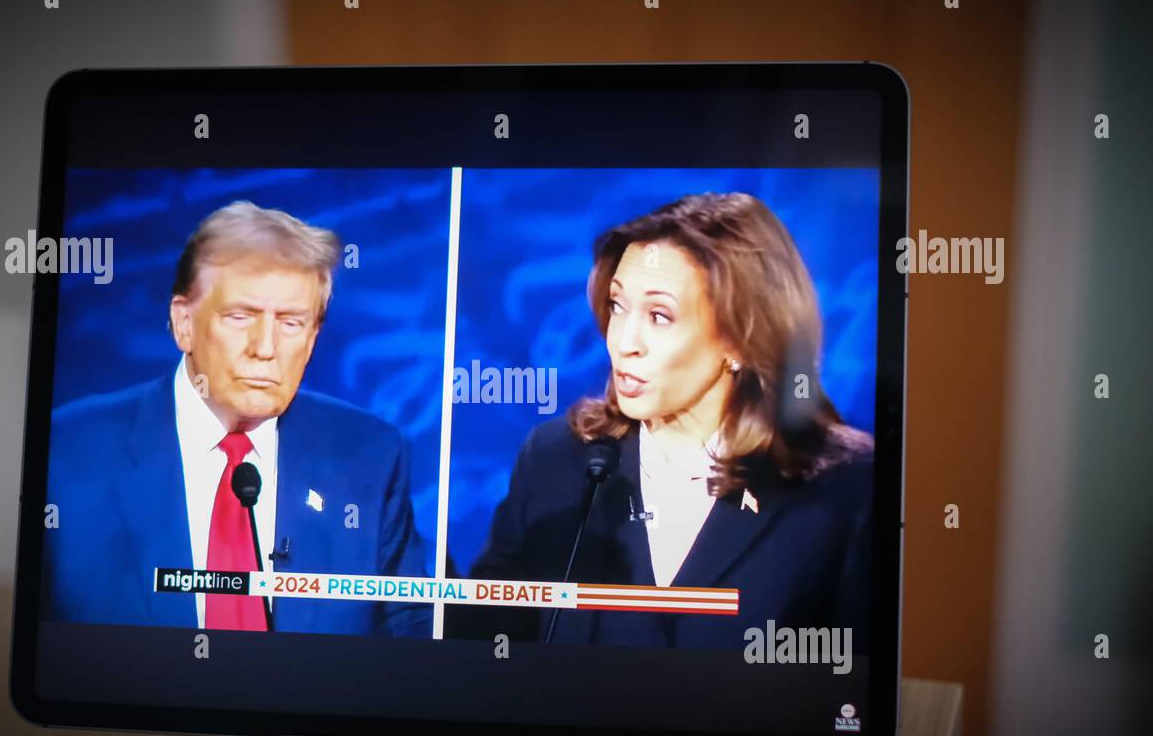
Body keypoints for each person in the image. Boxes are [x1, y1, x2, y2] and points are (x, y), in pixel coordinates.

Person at [455, 192, 873, 649]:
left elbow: (848, 682)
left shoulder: (845, 485)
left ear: (740, 336)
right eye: (617, 306)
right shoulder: (556, 459)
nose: (624, 341)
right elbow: (484, 642)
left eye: (659, 315)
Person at [43, 201, 431, 636]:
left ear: (313, 337)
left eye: (290, 322)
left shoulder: (370, 455)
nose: (265, 347)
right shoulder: (69, 449)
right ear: (183, 323)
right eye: (241, 316)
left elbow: (408, 630)